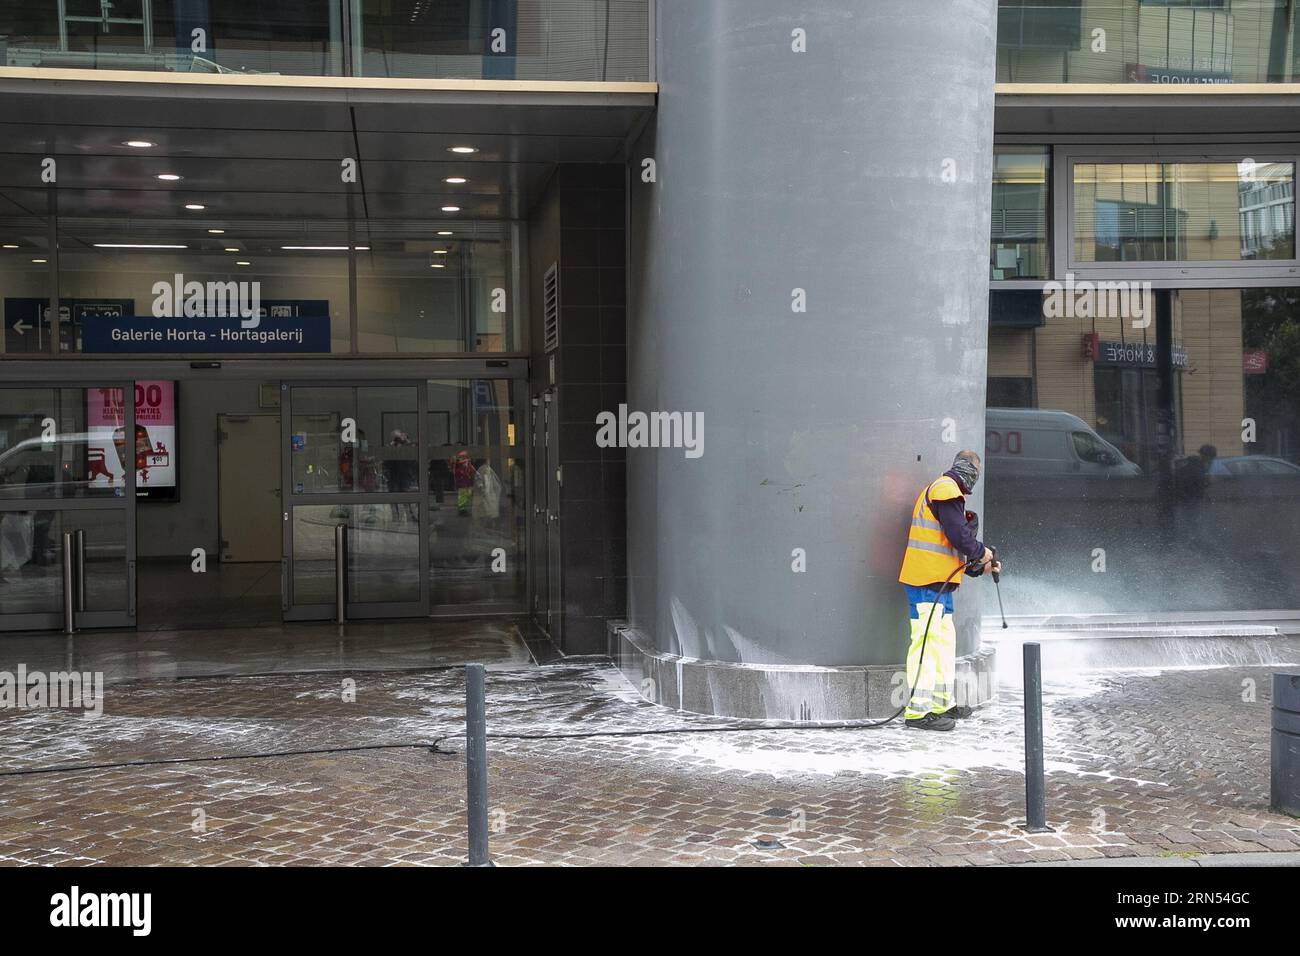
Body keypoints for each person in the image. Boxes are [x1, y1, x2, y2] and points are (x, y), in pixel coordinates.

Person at [897, 449, 1000, 732]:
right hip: (925, 583)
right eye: (975, 473)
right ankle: (918, 713)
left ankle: (942, 704)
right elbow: (958, 534)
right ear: (967, 469)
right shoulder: (945, 489)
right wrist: (981, 551)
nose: (974, 479)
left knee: (943, 645)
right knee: (926, 645)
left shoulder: (952, 494)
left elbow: (952, 546)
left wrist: (981, 562)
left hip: (939, 584)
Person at [450, 449, 477, 516]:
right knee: (463, 495)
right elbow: (455, 471)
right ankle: (462, 509)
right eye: (462, 457)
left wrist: (475, 473)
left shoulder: (467, 464)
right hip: (462, 481)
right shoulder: (458, 464)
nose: (464, 459)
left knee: (467, 494)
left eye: (465, 457)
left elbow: (472, 469)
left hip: (466, 481)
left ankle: (463, 508)